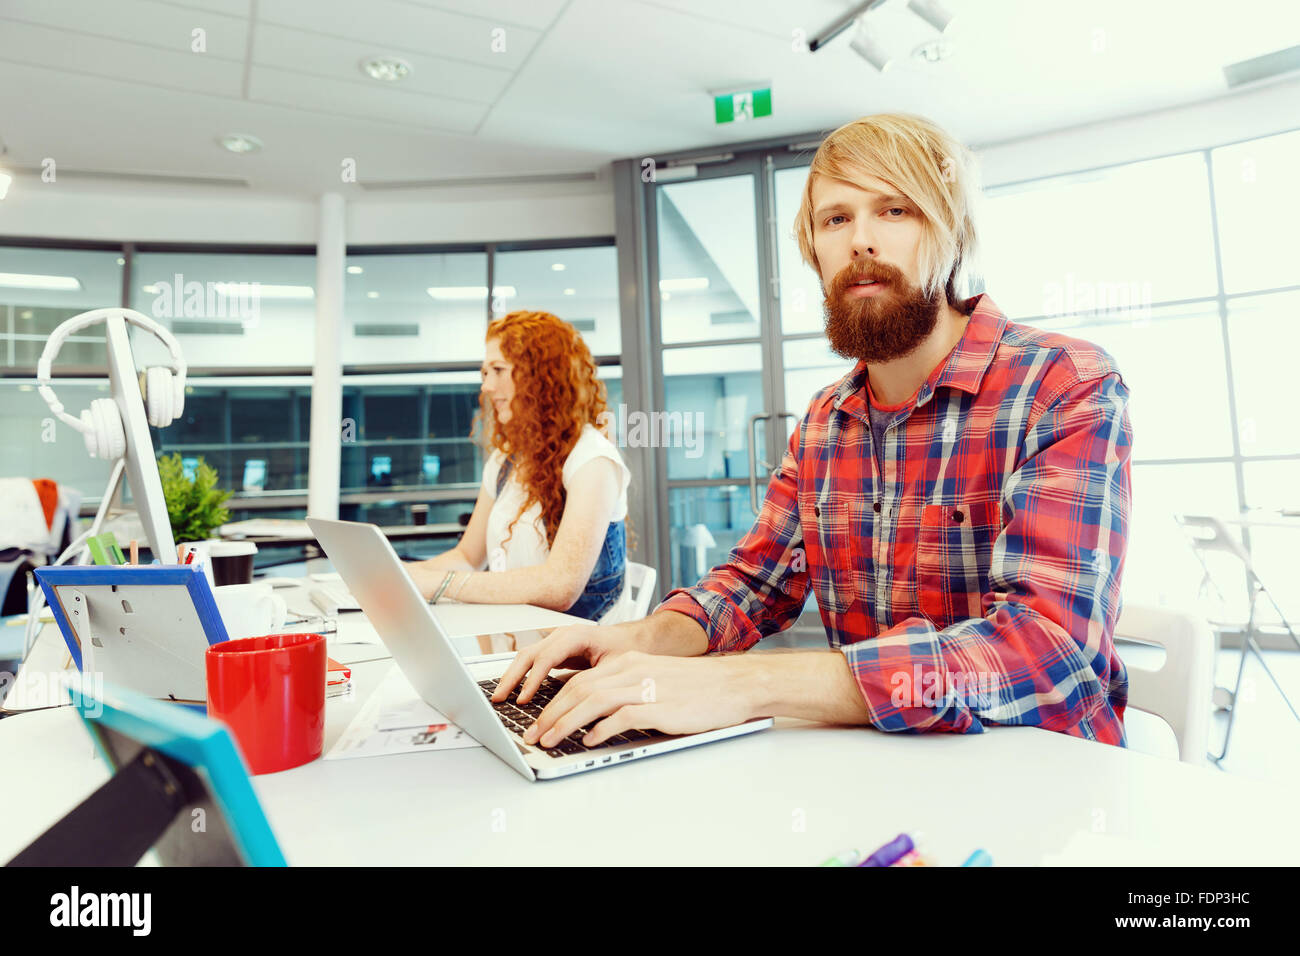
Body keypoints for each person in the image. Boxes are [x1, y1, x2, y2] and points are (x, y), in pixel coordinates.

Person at [493, 112, 1134, 751]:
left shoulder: (1063, 385)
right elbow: (753, 584)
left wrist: (747, 683)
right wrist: (639, 638)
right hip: (879, 767)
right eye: (836, 218)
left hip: (1043, 779)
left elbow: (1050, 653)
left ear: (952, 237)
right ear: (814, 249)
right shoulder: (825, 422)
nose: (861, 240)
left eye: (895, 210)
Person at [409, 310, 634, 625]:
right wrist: (401, 575)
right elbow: (467, 557)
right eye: (485, 373)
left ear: (541, 377)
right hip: (521, 641)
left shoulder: (593, 461)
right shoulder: (505, 461)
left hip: (582, 660)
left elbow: (561, 586)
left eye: (498, 370)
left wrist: (440, 583)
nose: (486, 386)